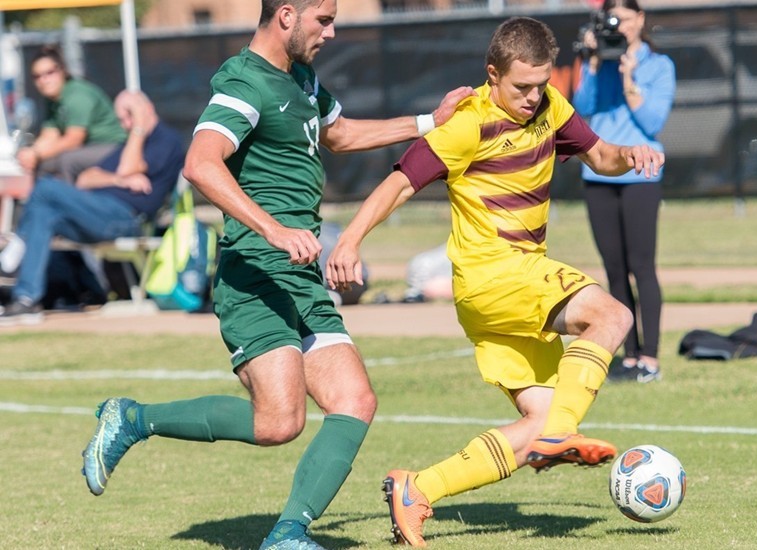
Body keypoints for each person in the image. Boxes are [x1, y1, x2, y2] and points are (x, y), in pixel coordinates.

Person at [79, 2, 473, 549]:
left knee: (355, 401)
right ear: (286, 15)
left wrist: (430, 121)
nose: (332, 32)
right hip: (255, 270)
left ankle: (289, 533)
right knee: (278, 422)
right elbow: (201, 164)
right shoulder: (244, 83)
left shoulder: (302, 79)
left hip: (300, 273)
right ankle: (131, 418)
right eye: (324, 20)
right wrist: (273, 229)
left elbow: (341, 135)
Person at [328, 16, 664, 547]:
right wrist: (348, 241)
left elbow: (602, 156)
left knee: (539, 420)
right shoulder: (466, 122)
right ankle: (560, 436)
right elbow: (398, 184)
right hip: (496, 275)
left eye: (541, 85)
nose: (534, 97)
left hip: (505, 292)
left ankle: (418, 489)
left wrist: (632, 155)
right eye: (521, 87)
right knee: (613, 315)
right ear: (492, 74)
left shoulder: (552, 107)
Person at [0, 90, 184, 324]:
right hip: (98, 216)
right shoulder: (127, 144)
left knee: (47, 187)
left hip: (126, 218)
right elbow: (86, 178)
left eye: (129, 115)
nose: (125, 124)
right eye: (121, 119)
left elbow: (128, 167)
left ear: (145, 110)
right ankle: (26, 300)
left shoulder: (165, 140)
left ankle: (15, 249)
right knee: (44, 213)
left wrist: (138, 128)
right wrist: (118, 179)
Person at [572, 0, 675, 383]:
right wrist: (595, 64)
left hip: (641, 177)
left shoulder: (658, 65)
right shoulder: (597, 60)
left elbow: (653, 121)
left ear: (640, 19)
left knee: (642, 267)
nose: (620, 27)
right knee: (614, 269)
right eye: (613, 20)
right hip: (599, 177)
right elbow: (582, 108)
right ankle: (628, 354)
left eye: (626, 19)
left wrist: (629, 79)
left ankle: (650, 356)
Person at [17, 45, 126, 183]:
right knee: (43, 163)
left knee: (67, 160)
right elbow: (49, 135)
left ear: (62, 70)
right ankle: (39, 201)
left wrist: (36, 154)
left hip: (113, 147)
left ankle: (69, 202)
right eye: (37, 76)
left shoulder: (77, 95)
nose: (43, 80)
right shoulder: (53, 100)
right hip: (88, 148)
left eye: (49, 72)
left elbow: (74, 139)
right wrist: (29, 155)